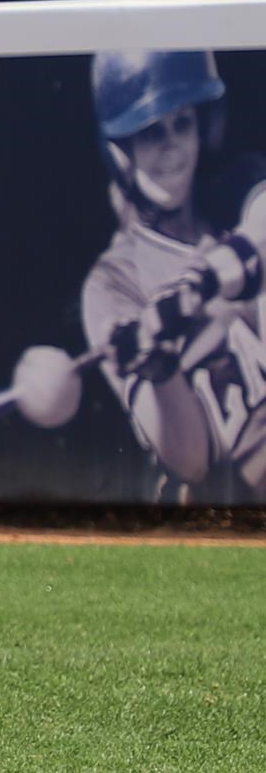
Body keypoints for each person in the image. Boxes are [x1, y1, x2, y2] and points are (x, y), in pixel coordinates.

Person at [80, 50, 266, 505]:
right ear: (121, 153)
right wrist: (158, 366)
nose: (171, 147)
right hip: (216, 522)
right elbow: (190, 460)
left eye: (182, 124)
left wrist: (204, 279)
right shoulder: (113, 283)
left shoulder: (239, 192)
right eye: (150, 133)